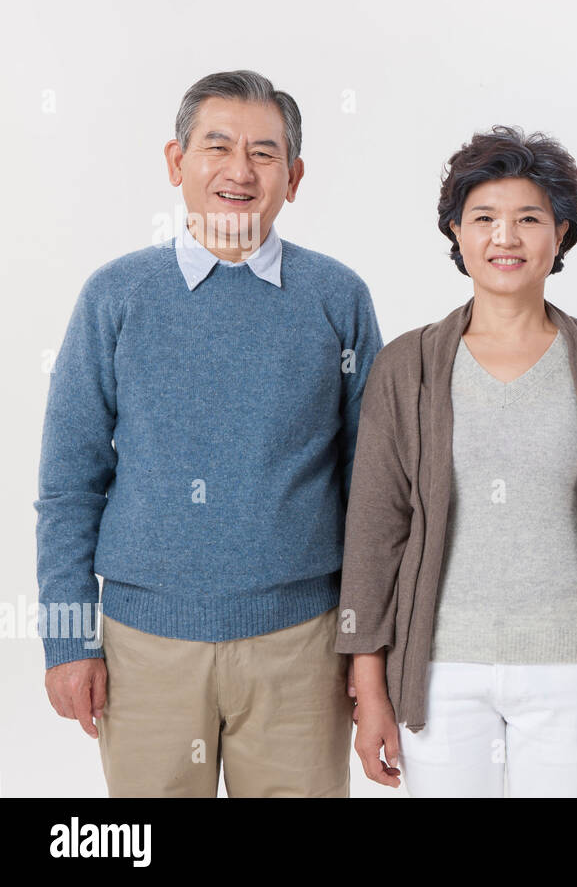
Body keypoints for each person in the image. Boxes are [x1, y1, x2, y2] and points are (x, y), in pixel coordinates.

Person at [36, 69, 382, 797]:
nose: (239, 170)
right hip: (144, 649)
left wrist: (366, 645)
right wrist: (69, 640)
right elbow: (68, 485)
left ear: (294, 175)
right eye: (217, 146)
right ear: (176, 162)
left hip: (302, 646)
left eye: (264, 153)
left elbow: (373, 488)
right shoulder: (116, 295)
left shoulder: (337, 296)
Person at [336, 125, 577, 797]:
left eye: (529, 219)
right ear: (457, 233)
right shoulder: (407, 366)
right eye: (484, 218)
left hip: (572, 672)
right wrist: (368, 692)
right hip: (438, 669)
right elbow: (373, 536)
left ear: (562, 234)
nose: (505, 238)